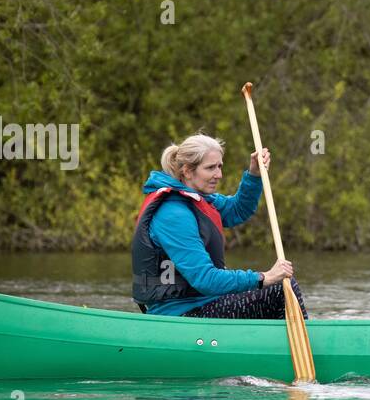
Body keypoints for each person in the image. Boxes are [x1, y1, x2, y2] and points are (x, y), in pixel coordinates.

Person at [131, 133, 307, 319]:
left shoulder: (201, 200)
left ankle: (281, 345)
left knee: (284, 286)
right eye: (210, 168)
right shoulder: (173, 214)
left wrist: (254, 175)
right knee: (281, 289)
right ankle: (310, 345)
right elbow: (205, 279)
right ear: (188, 171)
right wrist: (263, 277)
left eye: (220, 166)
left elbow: (238, 210)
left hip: (206, 302)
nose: (219, 175)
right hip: (181, 315)